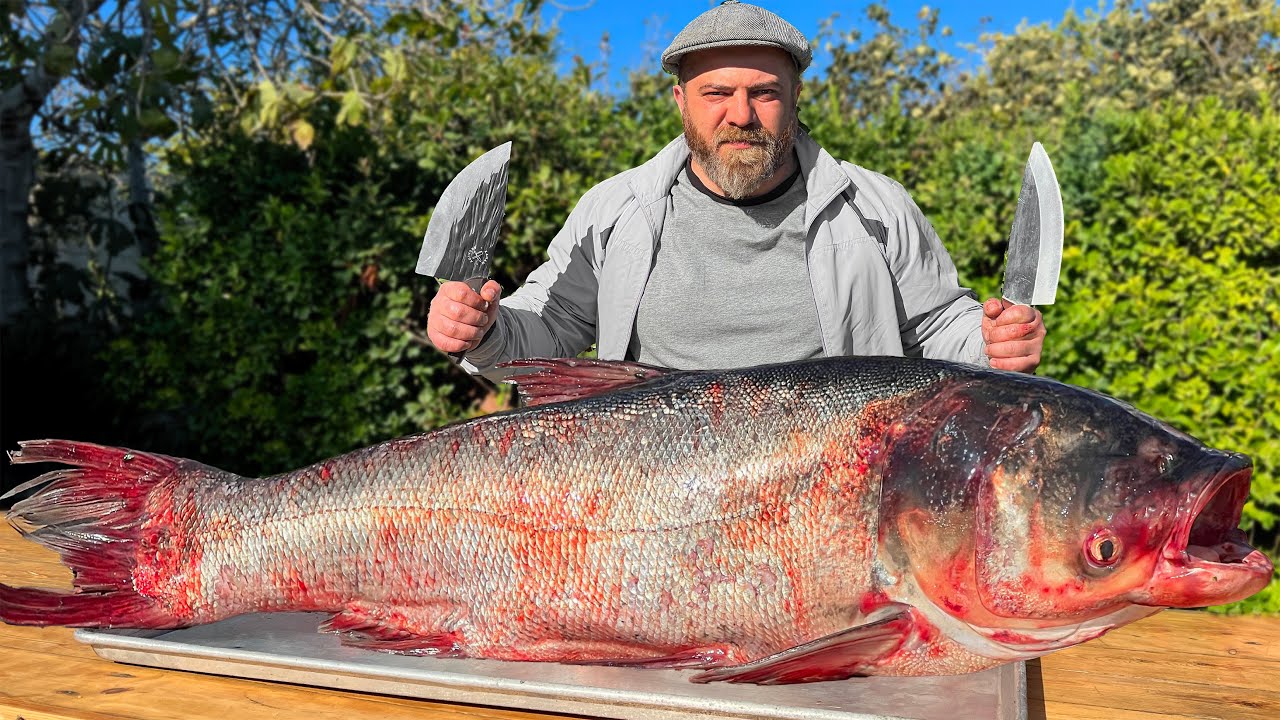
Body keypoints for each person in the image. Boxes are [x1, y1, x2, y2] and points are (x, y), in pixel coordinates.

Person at [426, 0, 1045, 378]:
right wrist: (483, 332)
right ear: (681, 102)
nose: (741, 116)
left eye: (764, 93)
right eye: (717, 94)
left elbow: (938, 326)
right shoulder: (615, 212)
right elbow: (551, 329)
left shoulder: (875, 208)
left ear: (795, 97)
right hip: (651, 507)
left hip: (830, 512)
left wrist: (993, 343)